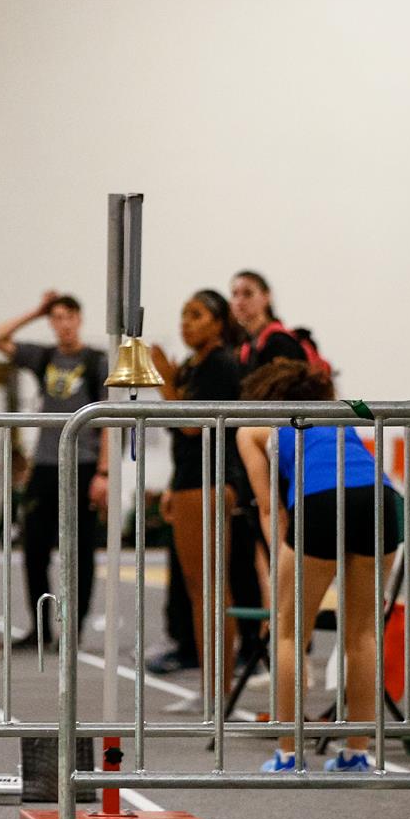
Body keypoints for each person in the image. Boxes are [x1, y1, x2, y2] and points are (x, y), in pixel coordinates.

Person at [236, 361, 403, 773]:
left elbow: (268, 508)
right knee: (363, 634)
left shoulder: (253, 428)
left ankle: (289, 755)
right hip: (380, 500)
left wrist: (280, 564)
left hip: (321, 502)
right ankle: (357, 753)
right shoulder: (338, 415)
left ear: (263, 397)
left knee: (290, 632)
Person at [0, 290, 109, 645]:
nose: (63, 324)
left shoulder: (95, 360)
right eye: (56, 318)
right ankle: (40, 628)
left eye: (68, 316)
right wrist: (35, 311)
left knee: (79, 550)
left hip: (83, 464)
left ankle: (73, 628)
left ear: (79, 319)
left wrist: (103, 474)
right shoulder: (44, 357)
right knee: (35, 548)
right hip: (45, 464)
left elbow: (107, 423)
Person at [147, 292, 245, 682]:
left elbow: (190, 424)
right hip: (190, 481)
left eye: (197, 315)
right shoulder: (194, 365)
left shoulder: (219, 365)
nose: (186, 323)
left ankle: (218, 684)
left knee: (210, 588)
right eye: (183, 315)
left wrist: (164, 379)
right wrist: (172, 486)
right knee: (198, 589)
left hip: (211, 480)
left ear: (218, 323)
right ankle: (212, 681)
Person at [229, 270, 311, 375]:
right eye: (234, 294)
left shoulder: (280, 342)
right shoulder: (246, 343)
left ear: (267, 297)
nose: (239, 301)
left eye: (248, 294)